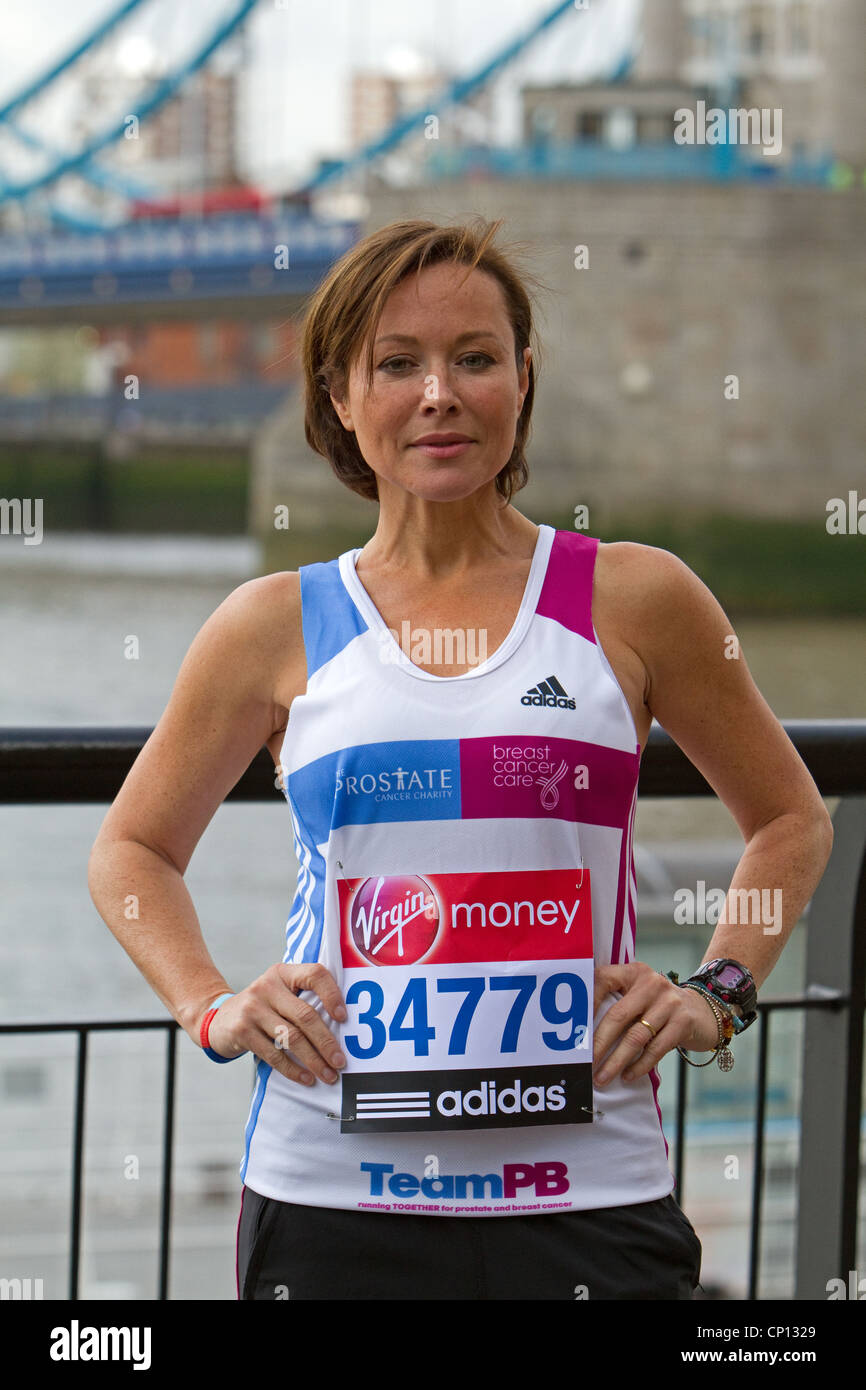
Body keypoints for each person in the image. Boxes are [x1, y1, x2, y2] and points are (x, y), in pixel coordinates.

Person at [88, 217, 833, 1301]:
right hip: (336, 1194)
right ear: (339, 396)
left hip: (584, 1192)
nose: (438, 393)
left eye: (473, 358)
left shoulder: (634, 598)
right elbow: (131, 848)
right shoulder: (269, 625)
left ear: (521, 380)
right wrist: (209, 1005)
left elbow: (789, 821)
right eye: (396, 364)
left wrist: (716, 990)